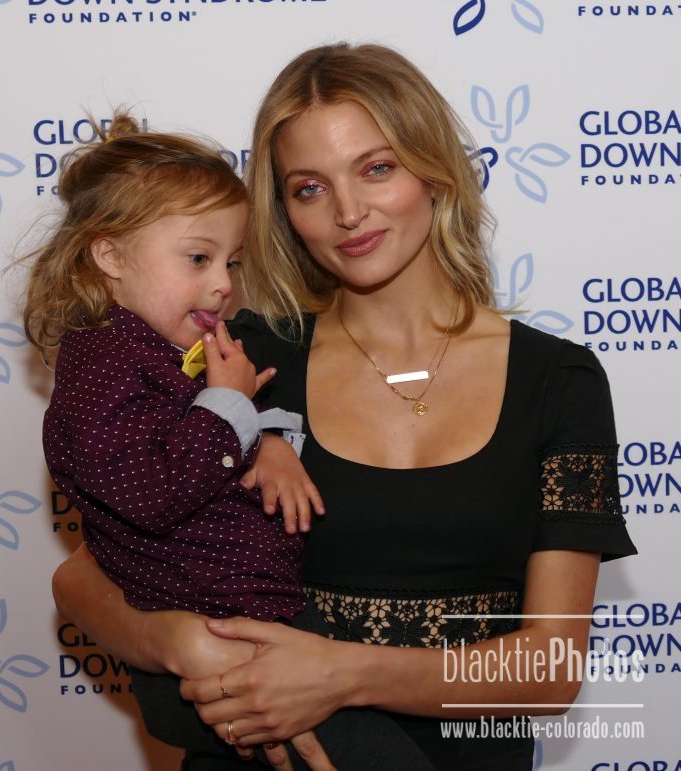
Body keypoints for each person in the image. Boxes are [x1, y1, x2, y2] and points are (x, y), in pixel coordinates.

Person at [51, 44, 637, 771]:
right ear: (283, 211)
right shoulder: (242, 361)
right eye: (308, 188)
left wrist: (341, 673)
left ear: (434, 168)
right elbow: (82, 577)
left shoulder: (558, 380)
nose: (348, 211)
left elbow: (549, 669)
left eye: (377, 167)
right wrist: (176, 642)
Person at [22, 114, 436, 770]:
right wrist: (181, 642)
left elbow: (207, 439)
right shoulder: (104, 366)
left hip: (261, 625)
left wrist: (266, 437)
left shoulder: (166, 354)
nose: (222, 282)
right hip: (224, 637)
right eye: (198, 258)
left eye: (230, 261)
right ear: (109, 255)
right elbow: (150, 495)